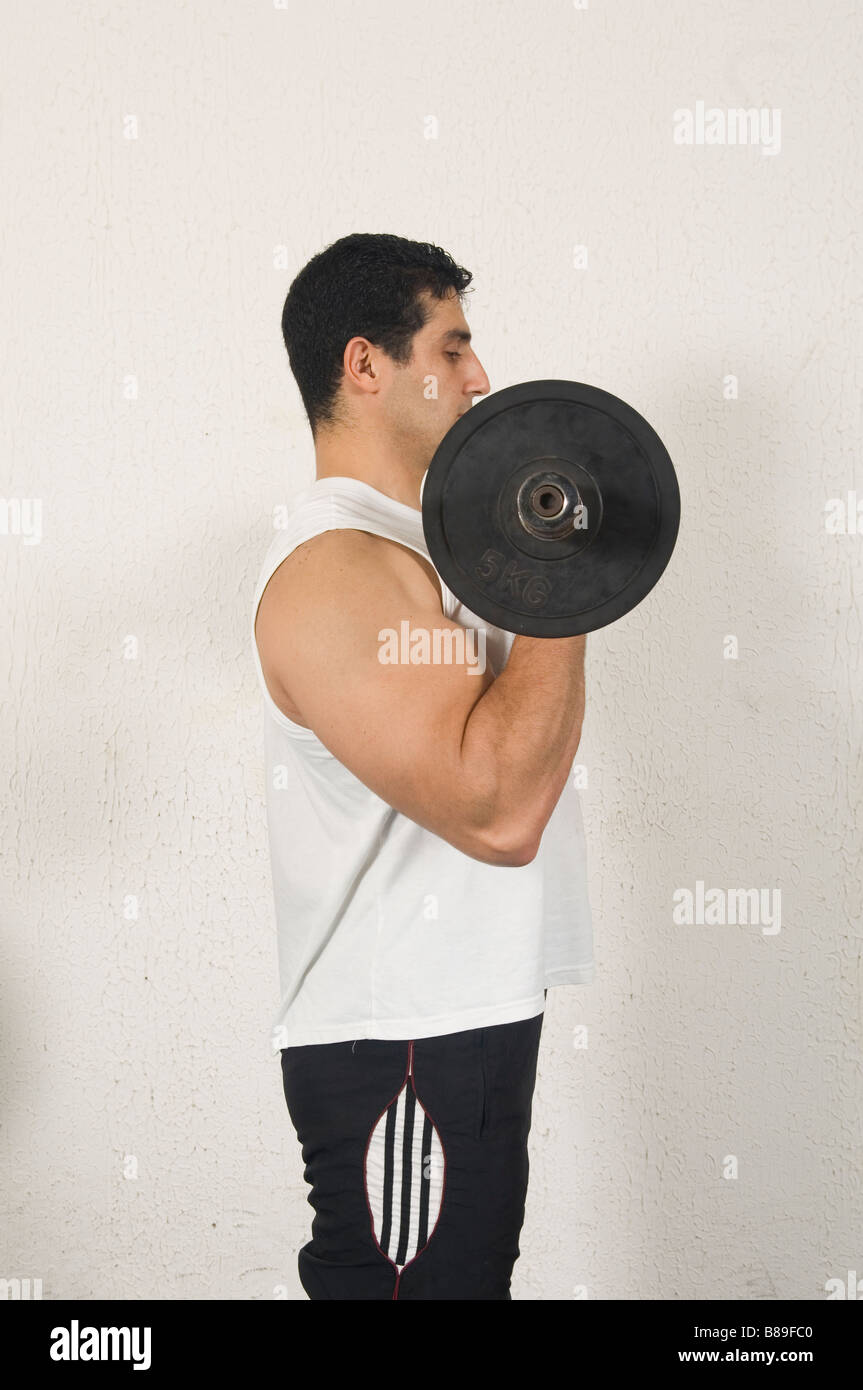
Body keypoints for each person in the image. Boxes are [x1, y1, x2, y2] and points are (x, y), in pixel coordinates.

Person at [251, 232, 594, 1300]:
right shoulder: (336, 570)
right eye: (452, 346)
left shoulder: (423, 552)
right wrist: (562, 583)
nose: (479, 377)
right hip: (401, 1045)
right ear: (365, 365)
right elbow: (496, 812)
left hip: (462, 1022)